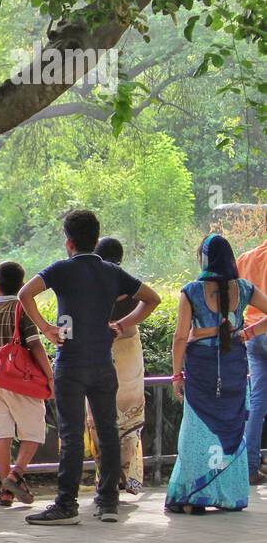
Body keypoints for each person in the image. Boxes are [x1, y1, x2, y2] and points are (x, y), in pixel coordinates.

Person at [18, 209, 160, 525]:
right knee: (108, 431)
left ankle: (66, 505)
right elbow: (152, 299)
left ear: (69, 243)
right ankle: (108, 502)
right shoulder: (112, 272)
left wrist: (46, 328)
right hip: (103, 363)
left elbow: (24, 293)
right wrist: (121, 325)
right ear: (96, 240)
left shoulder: (61, 270)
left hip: (70, 362)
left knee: (70, 436)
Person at [167, 235, 267, 513]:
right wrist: (246, 331)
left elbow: (179, 338)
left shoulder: (192, 291)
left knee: (196, 431)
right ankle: (230, 496)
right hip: (234, 368)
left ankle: (193, 496)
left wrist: (176, 376)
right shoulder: (244, 289)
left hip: (201, 370)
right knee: (232, 428)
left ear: (205, 259)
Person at [0, 261, 53, 507]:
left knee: (1, 433)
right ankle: (16, 474)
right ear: (22, 285)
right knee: (33, 430)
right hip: (21, 381)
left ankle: (5, 492)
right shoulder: (22, 308)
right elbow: (34, 344)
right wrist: (50, 376)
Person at [84, 237, 147, 496]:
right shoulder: (129, 283)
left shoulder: (90, 287)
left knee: (99, 417)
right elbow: (152, 299)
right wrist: (124, 324)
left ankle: (106, 478)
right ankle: (125, 475)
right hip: (129, 357)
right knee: (129, 418)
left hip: (99, 355)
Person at [234, 218, 267, 485]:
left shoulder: (247, 258)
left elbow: (231, 294)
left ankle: (250, 467)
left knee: (257, 402)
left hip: (252, 334)